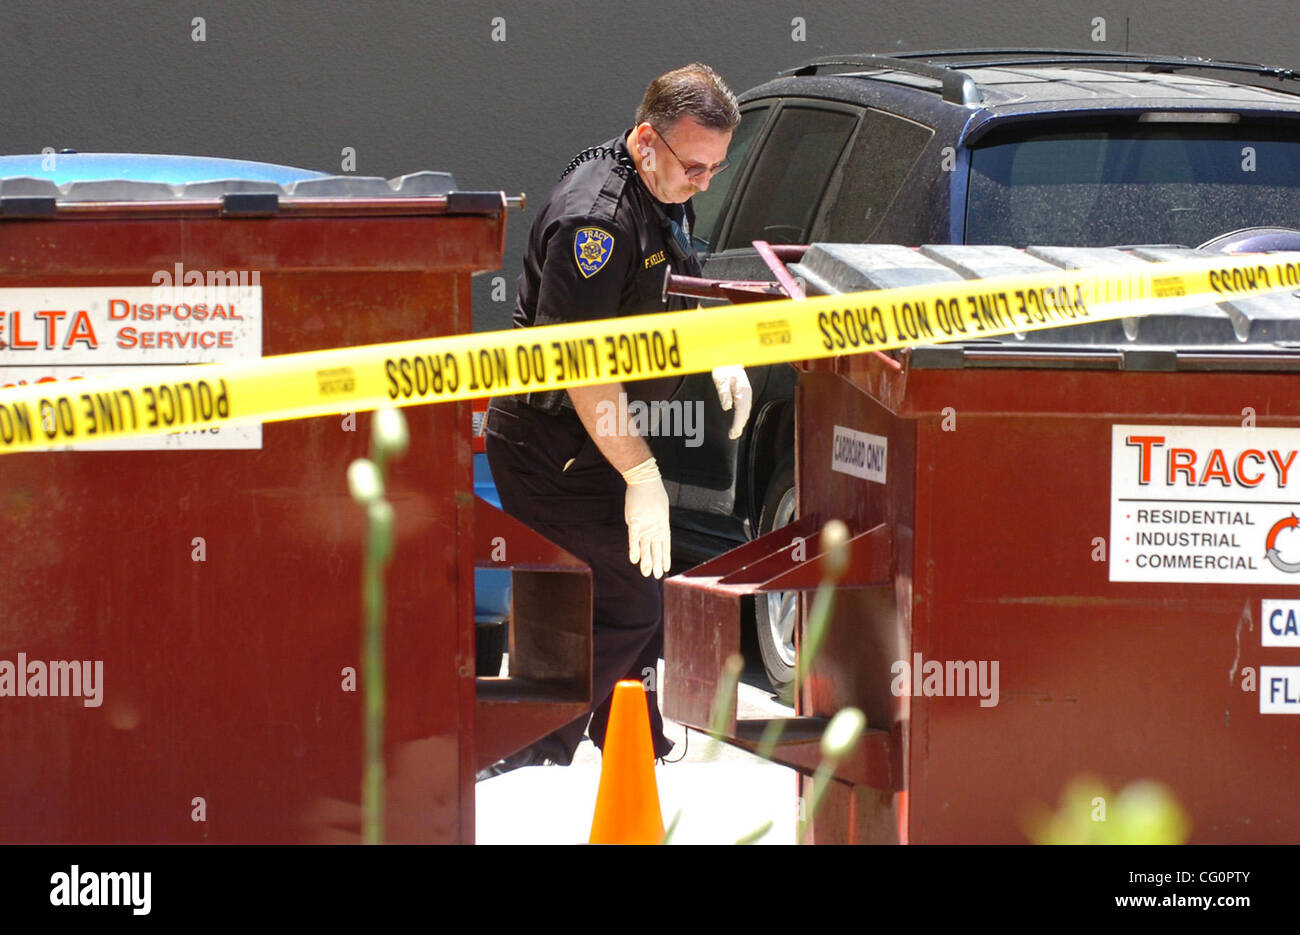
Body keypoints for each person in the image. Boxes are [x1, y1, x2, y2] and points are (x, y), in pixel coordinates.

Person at [483, 63, 752, 773]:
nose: (703, 183)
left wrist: (714, 347)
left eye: (714, 169)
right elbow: (581, 366)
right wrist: (642, 473)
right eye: (694, 167)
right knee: (630, 598)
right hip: (554, 447)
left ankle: (625, 736)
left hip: (596, 439)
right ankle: (524, 750)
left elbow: (669, 280)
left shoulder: (661, 185)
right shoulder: (596, 222)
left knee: (593, 591)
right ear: (644, 140)